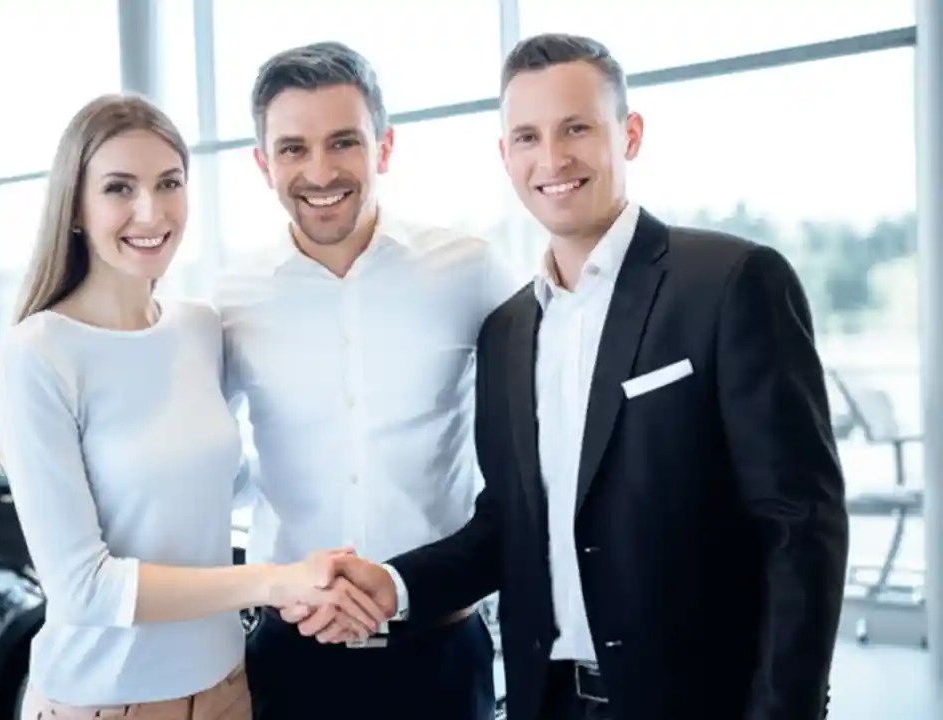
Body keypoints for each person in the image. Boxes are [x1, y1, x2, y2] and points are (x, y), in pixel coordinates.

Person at [293, 33, 851, 720]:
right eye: (527, 137)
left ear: (630, 133)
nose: (552, 159)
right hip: (546, 700)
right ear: (505, 155)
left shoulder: (730, 282)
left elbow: (800, 524)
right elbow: (510, 525)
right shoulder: (506, 331)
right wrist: (394, 584)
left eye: (576, 129)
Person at [0, 94, 383, 720]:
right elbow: (84, 588)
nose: (151, 211)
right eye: (119, 188)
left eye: (168, 183)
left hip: (226, 688)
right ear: (76, 208)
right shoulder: (37, 352)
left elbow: (224, 485)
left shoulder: (199, 328)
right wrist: (275, 579)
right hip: (104, 702)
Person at [214, 42, 517, 720]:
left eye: (343, 141)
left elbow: (539, 437)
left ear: (384, 147)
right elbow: (200, 464)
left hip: (440, 656)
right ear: (263, 164)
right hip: (289, 661)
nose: (319, 171)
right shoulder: (232, 300)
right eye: (293, 149)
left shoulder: (470, 272)